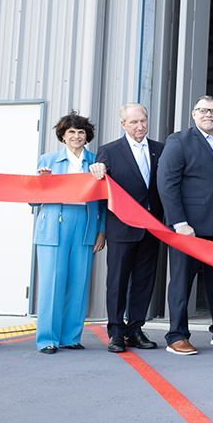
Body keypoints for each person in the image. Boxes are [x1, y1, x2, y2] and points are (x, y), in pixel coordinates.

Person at [157, 96, 213, 356]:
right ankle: (176, 335)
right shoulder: (179, 141)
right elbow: (167, 183)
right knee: (182, 283)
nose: (209, 114)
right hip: (190, 229)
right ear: (194, 114)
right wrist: (179, 222)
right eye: (203, 110)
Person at [89, 103, 164, 353]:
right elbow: (100, 193)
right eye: (133, 122)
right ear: (123, 124)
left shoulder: (160, 150)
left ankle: (135, 329)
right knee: (118, 282)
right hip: (121, 228)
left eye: (143, 121)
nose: (140, 126)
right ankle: (115, 331)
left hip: (152, 229)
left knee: (144, 281)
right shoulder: (108, 151)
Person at [33, 112, 106, 354]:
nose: (76, 136)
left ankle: (70, 337)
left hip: (86, 225)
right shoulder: (48, 160)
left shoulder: (96, 162)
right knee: (52, 282)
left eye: (81, 132)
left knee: (79, 282)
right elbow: (32, 203)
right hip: (54, 225)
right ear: (63, 136)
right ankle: (47, 339)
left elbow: (105, 201)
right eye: (71, 132)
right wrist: (41, 183)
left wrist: (101, 231)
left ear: (87, 137)